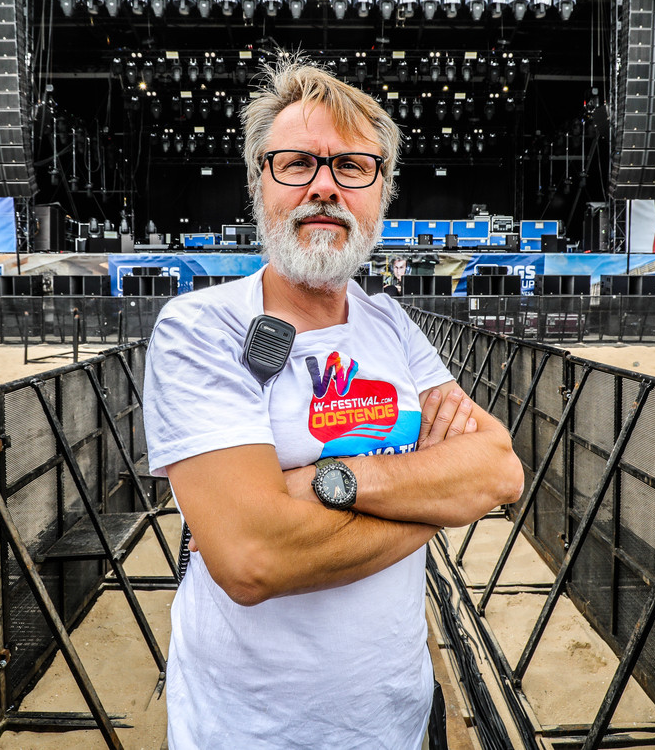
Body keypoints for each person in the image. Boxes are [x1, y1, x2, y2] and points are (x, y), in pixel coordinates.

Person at [143, 58, 523, 749]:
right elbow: (253, 558)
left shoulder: (391, 324)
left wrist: (325, 483)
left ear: (381, 191)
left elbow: (498, 469)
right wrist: (438, 500)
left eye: (353, 166)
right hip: (248, 732)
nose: (325, 185)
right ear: (261, 179)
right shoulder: (200, 327)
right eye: (297, 163)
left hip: (396, 719)